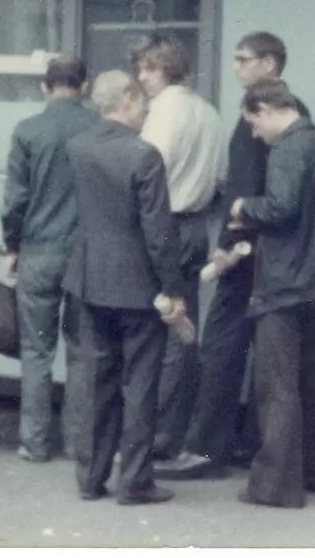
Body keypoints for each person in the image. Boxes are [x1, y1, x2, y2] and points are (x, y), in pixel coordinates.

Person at [158, 31, 307, 481]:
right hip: (260, 250)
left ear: (269, 63)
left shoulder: (261, 116)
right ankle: (235, 442)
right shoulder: (279, 114)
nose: (236, 67)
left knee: (222, 345)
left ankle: (205, 450)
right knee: (250, 351)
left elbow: (255, 190)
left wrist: (230, 246)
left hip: (246, 250)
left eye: (243, 59)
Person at [65, 70, 188, 505]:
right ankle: (135, 481)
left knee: (97, 380)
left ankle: (91, 478)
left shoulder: (77, 147)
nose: (146, 112)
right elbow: (158, 231)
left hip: (90, 280)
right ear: (129, 101)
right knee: (140, 385)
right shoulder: (143, 155)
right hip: (138, 286)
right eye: (143, 105)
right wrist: (173, 287)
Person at [225, 80, 315, 509]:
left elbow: (281, 207)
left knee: (276, 384)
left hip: (284, 279)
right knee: (305, 376)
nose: (255, 134)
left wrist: (242, 208)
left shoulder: (288, 149)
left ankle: (275, 486)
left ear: (266, 109)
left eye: (254, 123)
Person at [2, 56, 100, 463]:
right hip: (86, 255)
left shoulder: (27, 131)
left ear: (45, 87)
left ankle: (35, 442)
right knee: (82, 351)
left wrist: (12, 245)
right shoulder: (99, 129)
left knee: (36, 351)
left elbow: (16, 201)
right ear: (86, 86)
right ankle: (80, 443)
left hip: (39, 251)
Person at [131, 34, 222, 460]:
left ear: (167, 67)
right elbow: (218, 178)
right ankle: (175, 431)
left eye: (148, 68)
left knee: (159, 333)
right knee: (184, 332)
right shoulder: (207, 111)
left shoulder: (163, 113)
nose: (141, 77)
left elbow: (148, 173)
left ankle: (155, 437)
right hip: (196, 226)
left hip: (163, 225)